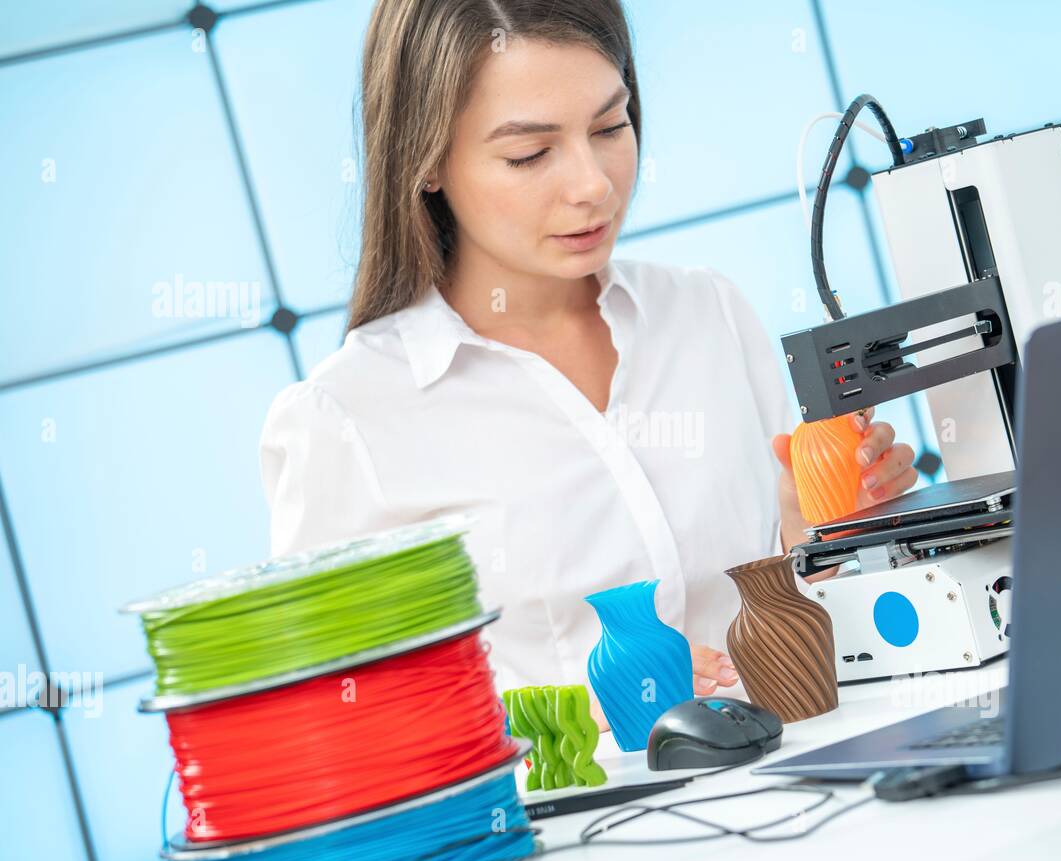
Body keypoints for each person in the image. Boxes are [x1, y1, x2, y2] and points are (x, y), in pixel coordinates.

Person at [259, 0, 918, 729]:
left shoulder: (707, 315)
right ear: (429, 162)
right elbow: (342, 727)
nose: (593, 184)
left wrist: (818, 533)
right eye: (530, 154)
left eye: (610, 126)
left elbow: (809, 626)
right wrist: (587, 706)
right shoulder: (348, 420)